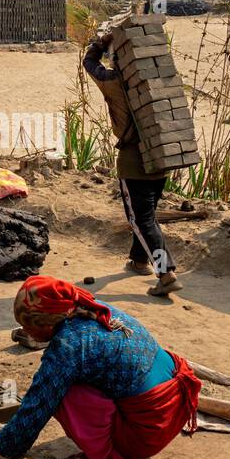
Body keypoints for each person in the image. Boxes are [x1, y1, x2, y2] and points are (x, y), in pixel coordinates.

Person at [0, 276, 201, 459]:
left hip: (148, 430)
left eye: (29, 325)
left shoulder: (67, 347)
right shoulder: (92, 307)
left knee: (63, 392)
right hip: (177, 404)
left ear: (48, 322)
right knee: (77, 376)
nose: (24, 331)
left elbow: (34, 411)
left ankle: (108, 457)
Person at [84, 29, 182, 297]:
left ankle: (165, 272)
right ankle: (139, 262)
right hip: (162, 158)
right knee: (147, 216)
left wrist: (99, 43)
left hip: (134, 163)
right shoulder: (159, 80)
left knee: (140, 220)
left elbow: (89, 64)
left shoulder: (113, 80)